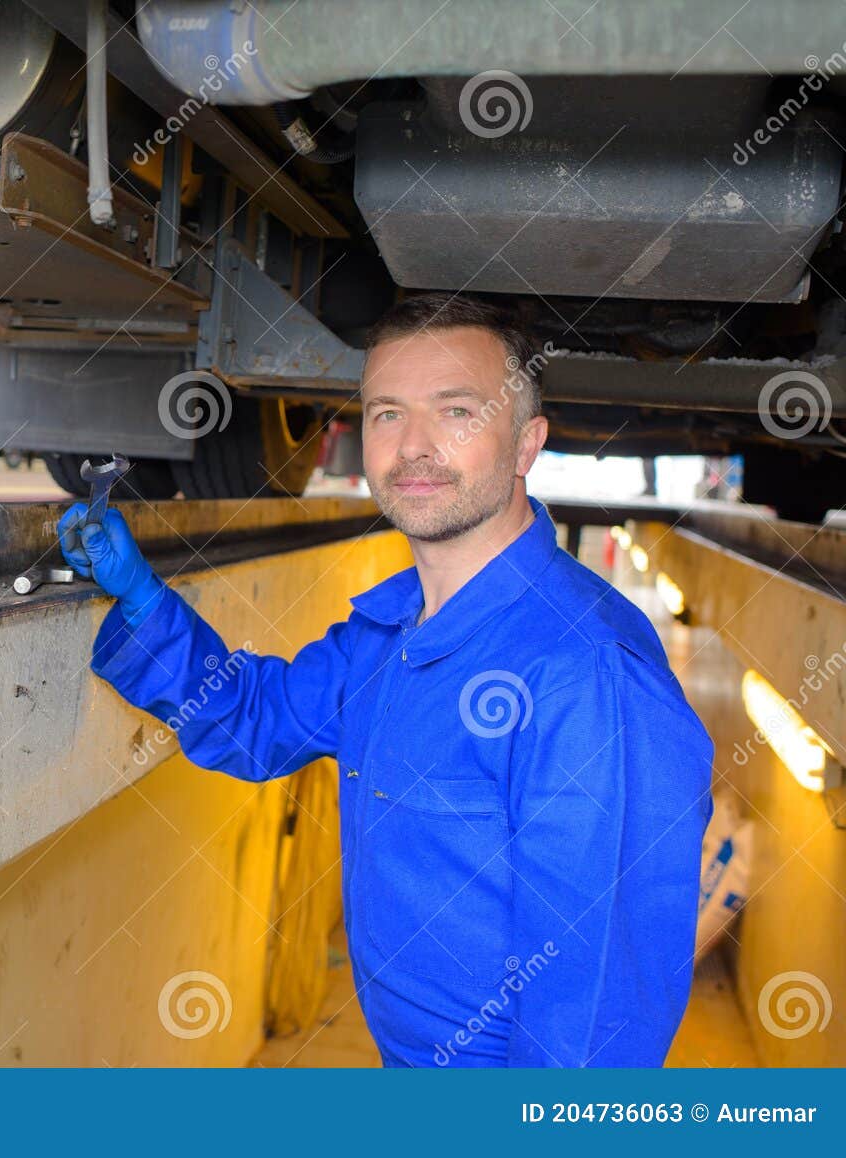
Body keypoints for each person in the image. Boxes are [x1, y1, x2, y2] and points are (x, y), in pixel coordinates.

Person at [58, 293, 714, 1067]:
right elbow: (257, 721)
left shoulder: (588, 675)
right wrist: (143, 603)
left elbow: (597, 1001)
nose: (413, 448)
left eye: (458, 411)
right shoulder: (390, 629)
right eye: (387, 414)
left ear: (527, 443)